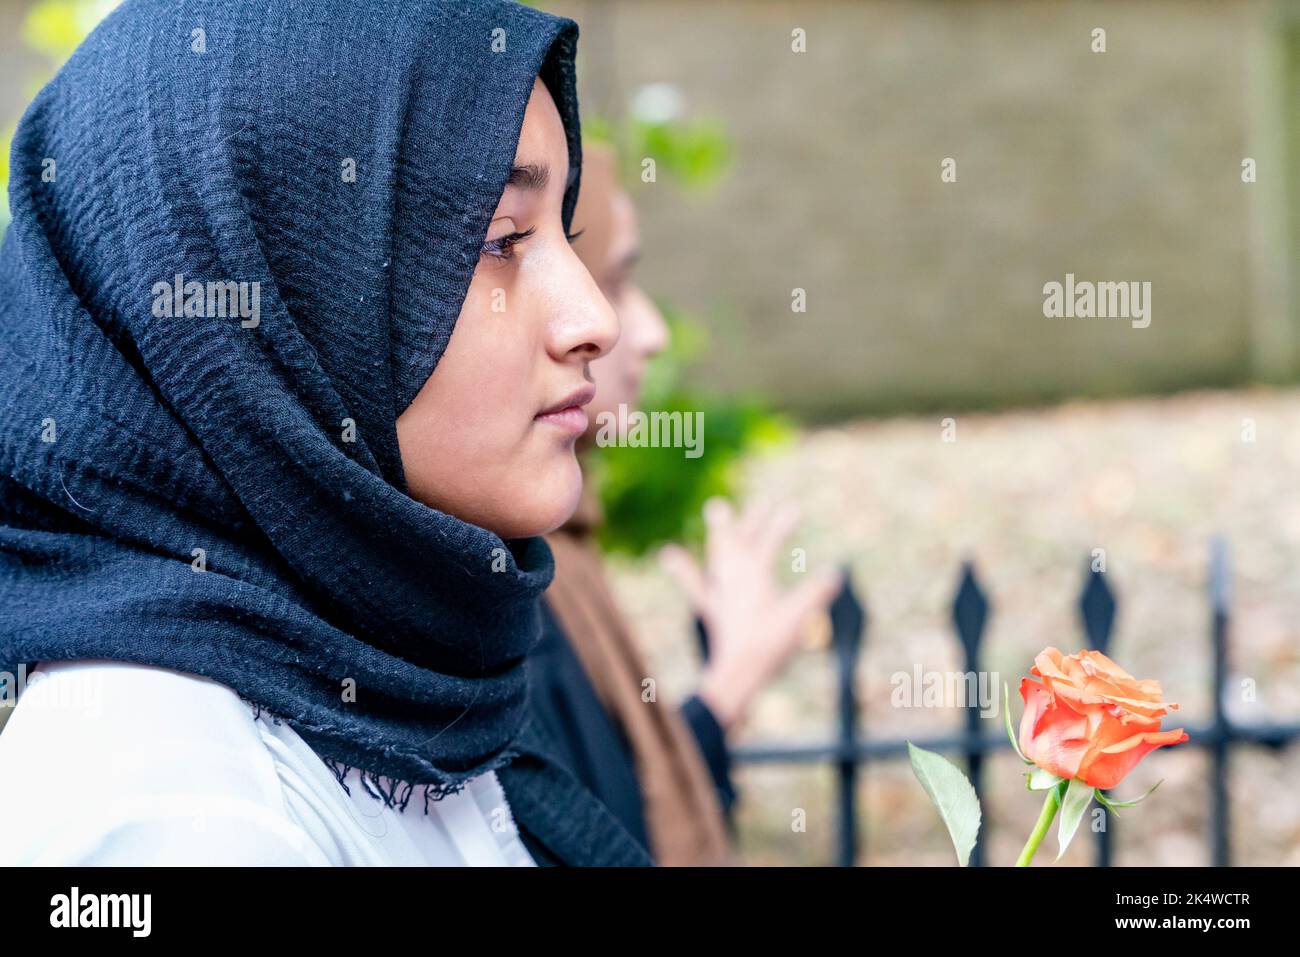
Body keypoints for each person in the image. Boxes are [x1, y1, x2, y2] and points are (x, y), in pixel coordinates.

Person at [0, 0, 650, 867]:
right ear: (267, 285)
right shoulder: (176, 808)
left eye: (563, 232)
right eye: (500, 240)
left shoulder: (392, 676)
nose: (592, 319)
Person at [528, 144, 843, 865]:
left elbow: (611, 816)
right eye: (615, 280)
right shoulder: (520, 590)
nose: (647, 332)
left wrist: (728, 682)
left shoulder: (563, 551)